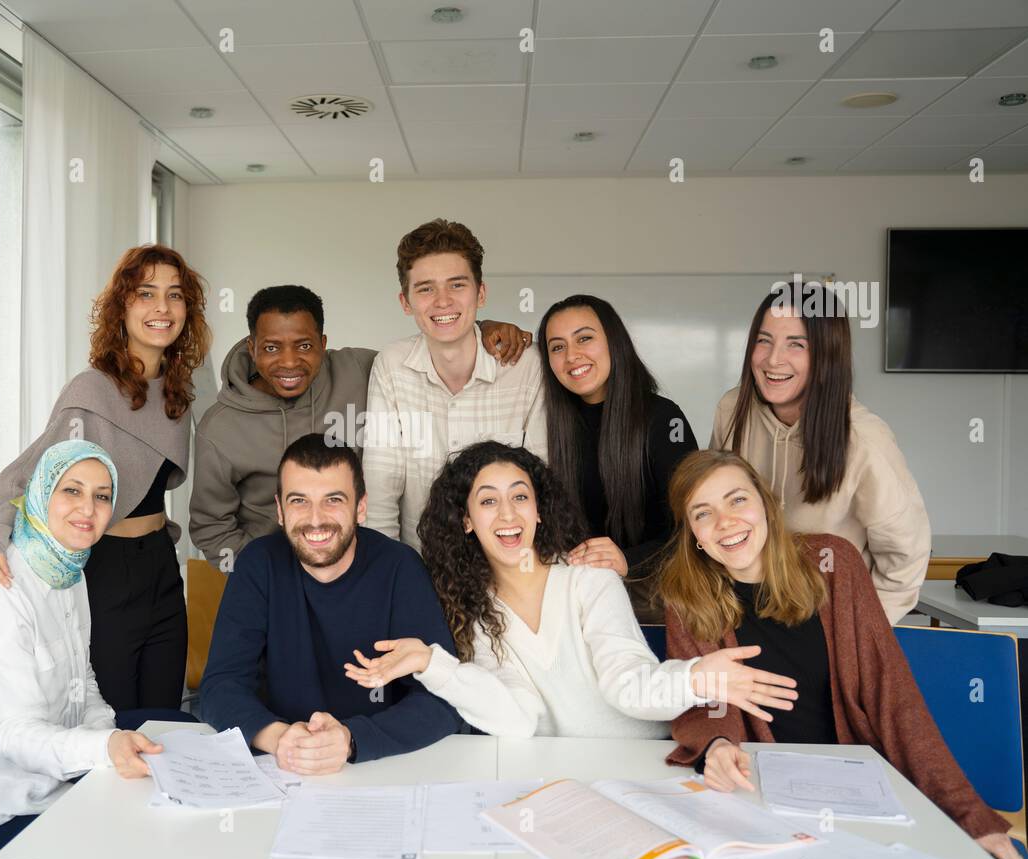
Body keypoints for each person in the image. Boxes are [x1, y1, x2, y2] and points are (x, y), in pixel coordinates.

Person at [659, 448, 1020, 859]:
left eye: (737, 499)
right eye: (702, 513)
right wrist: (717, 745)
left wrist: (971, 818)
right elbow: (704, 703)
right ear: (693, 535)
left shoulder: (832, 563)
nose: (725, 522)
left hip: (857, 788)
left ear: (767, 505)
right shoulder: (685, 596)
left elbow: (895, 697)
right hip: (755, 793)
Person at [343, 442, 797, 739]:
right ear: (466, 521)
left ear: (539, 511)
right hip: (562, 784)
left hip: (649, 771)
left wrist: (701, 677)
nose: (507, 514)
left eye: (520, 496)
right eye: (487, 501)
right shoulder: (475, 611)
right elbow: (515, 720)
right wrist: (430, 662)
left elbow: (630, 686)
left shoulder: (587, 578)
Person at [0, 244, 210, 709]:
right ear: (122, 307)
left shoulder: (178, 393)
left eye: (175, 296)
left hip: (161, 565)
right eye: (146, 293)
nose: (162, 307)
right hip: (106, 570)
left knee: (163, 720)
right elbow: (30, 472)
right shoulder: (92, 389)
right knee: (111, 725)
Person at [0, 441, 165, 857]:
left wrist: (107, 736)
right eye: (71, 490)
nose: (88, 509)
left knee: (157, 771)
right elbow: (14, 737)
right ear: (40, 492)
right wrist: (103, 749)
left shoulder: (69, 569)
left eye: (102, 496)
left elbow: (82, 682)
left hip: (51, 780)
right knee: (132, 841)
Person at [189, 284, 531, 566]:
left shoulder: (362, 370)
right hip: (277, 577)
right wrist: (260, 574)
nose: (289, 361)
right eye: (271, 348)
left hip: (362, 568)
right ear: (252, 348)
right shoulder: (220, 428)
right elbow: (211, 526)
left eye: (304, 346)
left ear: (323, 345)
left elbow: (429, 355)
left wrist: (482, 329)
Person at [199, 434, 461, 773]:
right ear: (280, 510)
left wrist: (351, 739)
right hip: (282, 767)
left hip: (382, 768)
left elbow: (442, 699)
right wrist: (279, 738)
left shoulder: (400, 568)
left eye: (333, 499)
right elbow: (221, 686)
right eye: (299, 501)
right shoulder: (257, 564)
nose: (316, 519)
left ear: (361, 507)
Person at [711, 284, 929, 623]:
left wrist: (857, 634)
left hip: (827, 624)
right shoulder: (732, 409)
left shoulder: (864, 438)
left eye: (796, 344)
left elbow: (905, 558)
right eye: (763, 340)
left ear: (827, 354)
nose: (773, 359)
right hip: (745, 616)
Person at [363, 219, 547, 551]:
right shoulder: (391, 366)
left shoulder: (527, 366)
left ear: (481, 293)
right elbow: (381, 491)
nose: (443, 301)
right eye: (425, 288)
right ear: (406, 302)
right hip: (420, 568)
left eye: (457, 285)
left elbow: (543, 483)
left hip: (510, 568)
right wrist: (385, 578)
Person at [538, 293, 698, 620]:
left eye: (584, 338)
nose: (572, 356)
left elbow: (693, 525)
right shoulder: (547, 425)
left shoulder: (665, 419)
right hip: (575, 604)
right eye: (557, 347)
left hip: (655, 604)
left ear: (614, 341)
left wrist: (628, 559)